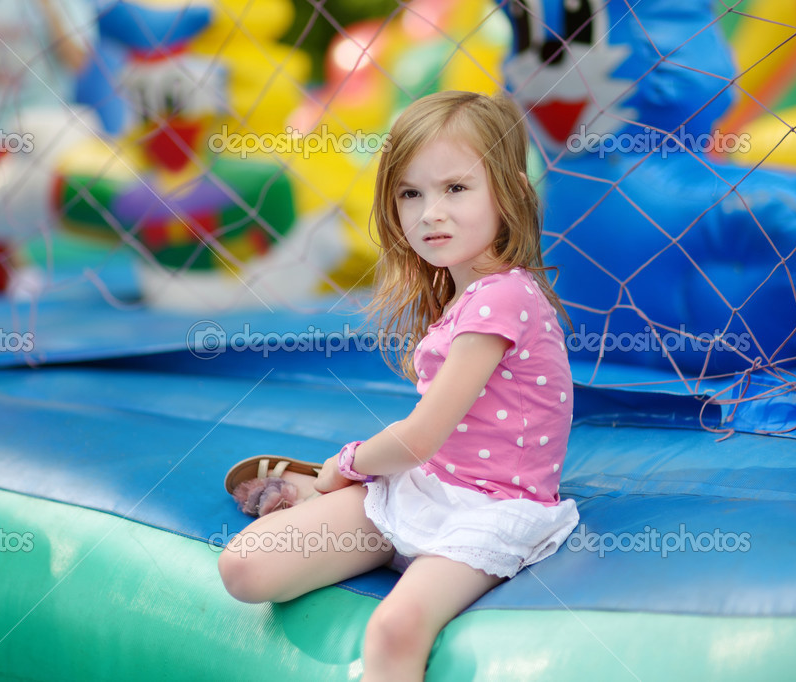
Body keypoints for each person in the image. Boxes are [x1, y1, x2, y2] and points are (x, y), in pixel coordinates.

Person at [218, 90, 579, 682]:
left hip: (488, 509)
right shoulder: (460, 294)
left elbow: (419, 437)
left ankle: (320, 486)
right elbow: (425, 454)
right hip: (424, 485)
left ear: (511, 193)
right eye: (411, 193)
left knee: (393, 628)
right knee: (245, 568)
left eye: (455, 188)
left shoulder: (505, 297)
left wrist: (347, 464)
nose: (430, 212)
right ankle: (322, 499)